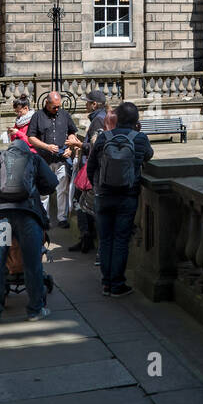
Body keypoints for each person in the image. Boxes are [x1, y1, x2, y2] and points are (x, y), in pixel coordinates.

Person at [0, 137, 60, 323]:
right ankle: (35, 311)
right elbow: (51, 184)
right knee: (32, 264)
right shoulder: (33, 159)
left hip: (0, 219)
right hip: (27, 216)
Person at [87, 101, 154, 298]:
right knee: (120, 240)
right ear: (136, 121)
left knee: (106, 239)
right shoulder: (140, 138)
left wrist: (98, 186)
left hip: (104, 196)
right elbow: (148, 155)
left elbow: (91, 167)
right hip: (127, 196)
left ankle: (107, 283)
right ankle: (117, 284)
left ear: (118, 119)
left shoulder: (103, 137)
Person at [27, 91, 80, 228]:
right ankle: (45, 218)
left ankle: (62, 218)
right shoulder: (37, 116)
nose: (57, 109)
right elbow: (30, 137)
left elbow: (73, 132)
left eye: (58, 106)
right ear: (47, 103)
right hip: (44, 160)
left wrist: (71, 147)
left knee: (62, 189)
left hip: (62, 159)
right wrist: (46, 146)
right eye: (54, 107)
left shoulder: (64, 115)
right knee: (44, 192)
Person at [68, 90, 109, 254]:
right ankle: (85, 238)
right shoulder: (100, 118)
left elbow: (95, 148)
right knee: (84, 206)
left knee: (83, 205)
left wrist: (79, 145)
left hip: (90, 171)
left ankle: (86, 239)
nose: (85, 104)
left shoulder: (98, 120)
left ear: (94, 105)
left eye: (87, 102)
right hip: (89, 169)